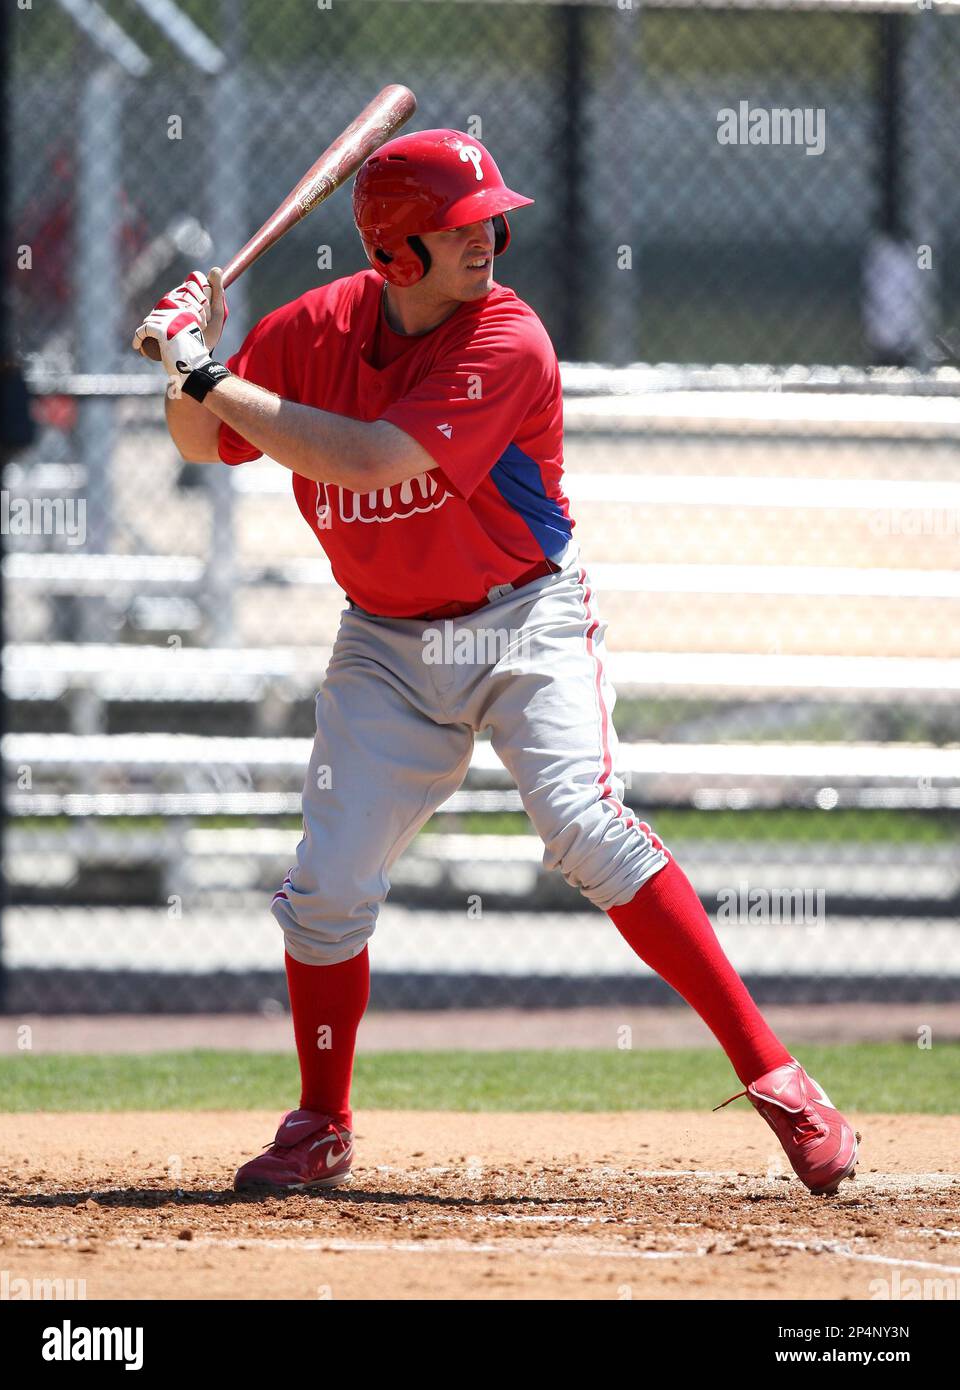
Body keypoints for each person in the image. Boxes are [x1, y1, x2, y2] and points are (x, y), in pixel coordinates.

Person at [132, 129, 858, 1198]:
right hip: (380, 638)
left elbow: (367, 456)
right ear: (395, 255)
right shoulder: (308, 331)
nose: (491, 241)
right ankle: (320, 1123)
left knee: (586, 829)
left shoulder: (508, 340)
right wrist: (183, 361)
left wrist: (204, 369)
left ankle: (779, 1079)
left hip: (521, 620)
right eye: (464, 229)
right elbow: (200, 443)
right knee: (325, 887)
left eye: (493, 223)